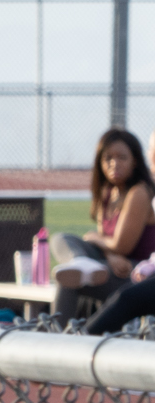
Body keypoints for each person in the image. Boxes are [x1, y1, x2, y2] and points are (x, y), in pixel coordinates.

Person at [50, 128, 155, 319]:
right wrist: (109, 256)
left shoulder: (139, 192)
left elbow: (121, 245)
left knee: (69, 281)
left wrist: (93, 238)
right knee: (61, 238)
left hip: (137, 271)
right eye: (108, 158)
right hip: (111, 263)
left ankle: (58, 338)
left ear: (135, 161)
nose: (114, 164)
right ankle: (80, 262)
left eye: (122, 157)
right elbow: (108, 243)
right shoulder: (107, 192)